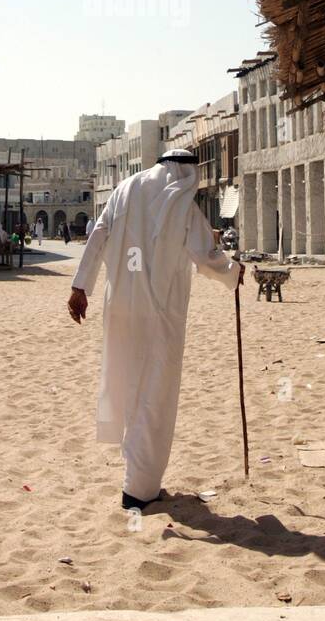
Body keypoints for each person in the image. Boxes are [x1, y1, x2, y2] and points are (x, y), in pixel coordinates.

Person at [67, 148, 244, 510]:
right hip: (160, 314)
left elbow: (99, 234)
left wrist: (80, 287)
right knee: (155, 395)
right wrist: (234, 272)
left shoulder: (126, 188)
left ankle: (137, 479)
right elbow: (206, 258)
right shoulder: (180, 201)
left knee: (130, 385)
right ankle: (139, 489)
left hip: (120, 308)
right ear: (184, 171)